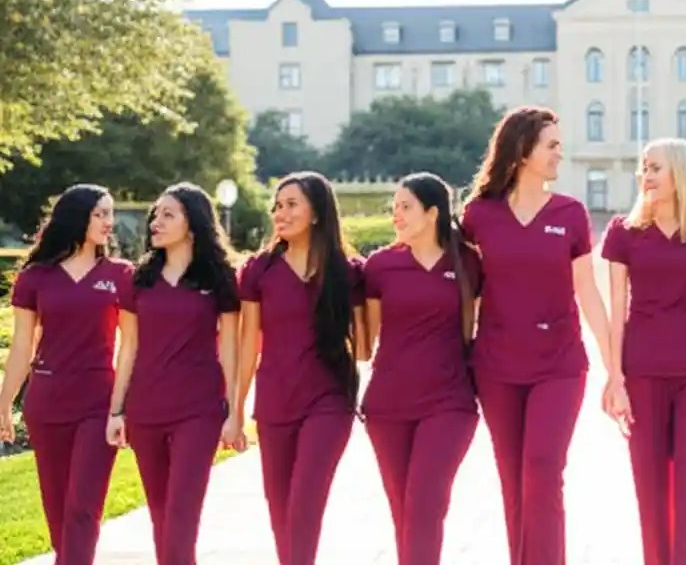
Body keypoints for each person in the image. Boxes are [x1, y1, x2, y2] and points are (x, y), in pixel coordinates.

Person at [460, 106, 611, 565]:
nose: (558, 155)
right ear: (522, 149)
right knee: (513, 478)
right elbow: (466, 295)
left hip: (559, 364)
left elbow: (587, 289)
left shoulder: (570, 214)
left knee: (543, 470)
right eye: (552, 146)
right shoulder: (478, 215)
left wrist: (614, 368)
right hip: (496, 365)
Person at [600, 138, 686, 565]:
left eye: (655, 167)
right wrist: (615, 379)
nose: (646, 175)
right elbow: (616, 309)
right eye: (644, 168)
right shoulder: (624, 231)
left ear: (682, 172)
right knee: (651, 487)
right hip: (642, 370)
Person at [105, 182, 243, 565]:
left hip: (198, 411)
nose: (156, 221)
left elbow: (230, 347)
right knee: (161, 516)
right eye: (155, 213)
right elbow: (128, 347)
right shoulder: (138, 280)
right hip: (146, 410)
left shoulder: (220, 279)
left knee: (182, 516)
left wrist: (234, 411)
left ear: (193, 223)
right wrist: (117, 411)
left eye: (168, 214)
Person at [235, 171, 366, 565]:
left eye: (292, 204)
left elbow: (363, 346)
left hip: (329, 401)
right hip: (275, 402)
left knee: (304, 503)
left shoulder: (349, 271)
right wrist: (235, 410)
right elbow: (247, 345)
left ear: (316, 212)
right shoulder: (259, 270)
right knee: (280, 513)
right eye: (277, 206)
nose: (281, 213)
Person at [0, 184, 133, 564]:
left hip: (98, 404)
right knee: (58, 512)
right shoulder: (35, 278)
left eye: (111, 213)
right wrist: (4, 404)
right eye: (100, 214)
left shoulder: (121, 276)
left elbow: (130, 349)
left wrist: (122, 407)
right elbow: (23, 347)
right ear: (78, 217)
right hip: (47, 403)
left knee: (82, 508)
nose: (110, 222)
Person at [361, 172, 481, 565]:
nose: (396, 214)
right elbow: (367, 341)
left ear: (432, 213)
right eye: (393, 207)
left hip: (450, 402)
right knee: (404, 513)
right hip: (387, 407)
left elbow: (478, 323)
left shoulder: (467, 262)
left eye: (405, 206)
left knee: (425, 503)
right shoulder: (379, 267)